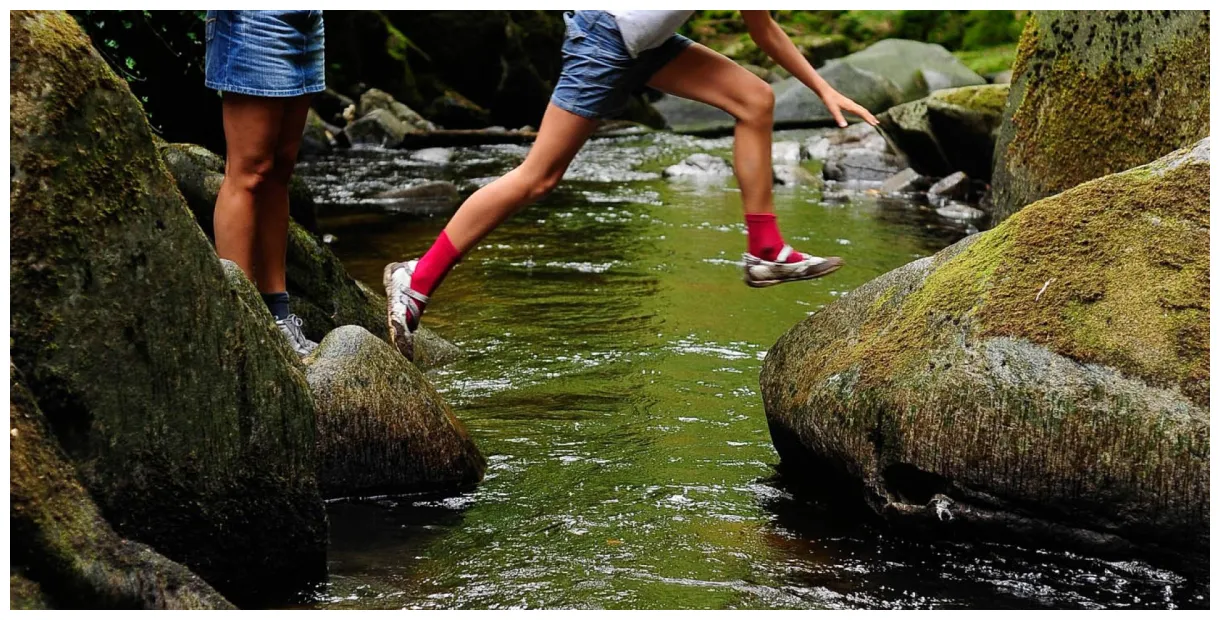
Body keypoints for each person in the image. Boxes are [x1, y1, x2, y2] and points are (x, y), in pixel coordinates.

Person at [384, 10, 879, 360]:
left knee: (755, 99)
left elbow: (760, 25)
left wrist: (823, 88)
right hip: (607, 36)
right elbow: (763, 30)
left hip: (647, 44)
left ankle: (765, 250)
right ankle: (417, 280)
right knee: (539, 177)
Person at [205, 10, 326, 356]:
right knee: (249, 173)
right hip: (252, 21)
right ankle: (242, 322)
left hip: (305, 22)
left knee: (279, 172)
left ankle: (279, 314)